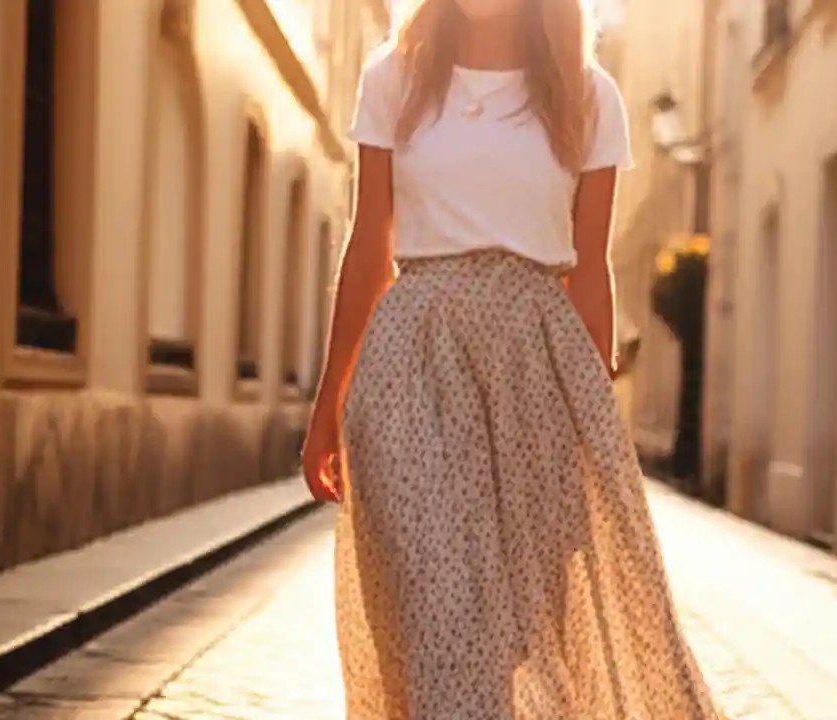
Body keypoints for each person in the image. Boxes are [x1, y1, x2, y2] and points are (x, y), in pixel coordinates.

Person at [299, 0, 720, 716]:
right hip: (412, 371)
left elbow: (590, 271)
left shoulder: (589, 96)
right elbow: (370, 242)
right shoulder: (391, 79)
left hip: (536, 371)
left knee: (519, 631)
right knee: (434, 612)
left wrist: (592, 422)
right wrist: (329, 402)